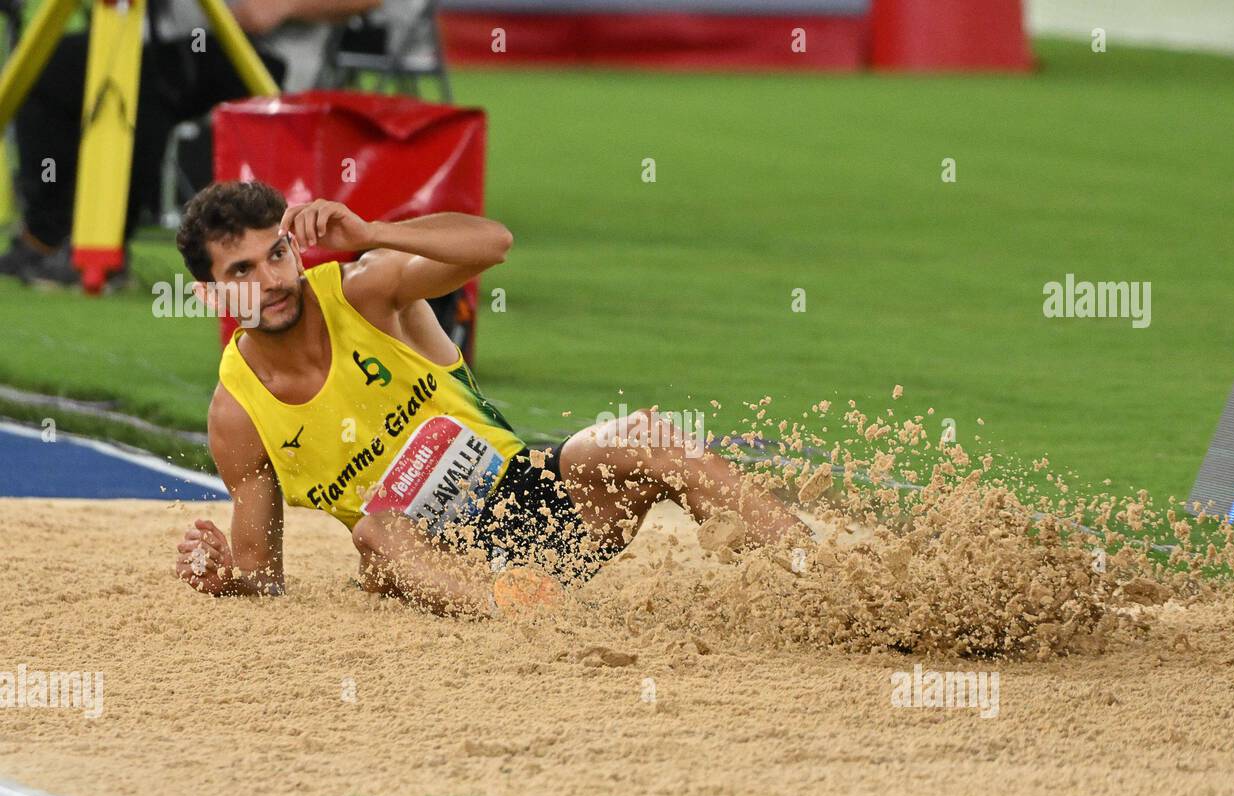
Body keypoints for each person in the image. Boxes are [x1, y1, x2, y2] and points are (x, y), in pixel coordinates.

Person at [172, 180, 809, 615]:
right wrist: (223, 573)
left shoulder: (367, 290)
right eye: (241, 272)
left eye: (276, 255)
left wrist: (373, 231)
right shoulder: (237, 413)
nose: (272, 281)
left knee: (645, 433)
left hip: (541, 507)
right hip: (437, 567)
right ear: (209, 295)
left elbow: (493, 244)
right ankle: (528, 613)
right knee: (378, 526)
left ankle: (825, 583)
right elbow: (261, 575)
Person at [0, 0, 379, 288]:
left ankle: (105, 251)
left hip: (259, 50)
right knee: (47, 68)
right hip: (150, 34)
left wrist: (286, 4)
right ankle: (45, 234)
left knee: (142, 89)